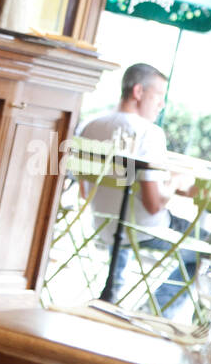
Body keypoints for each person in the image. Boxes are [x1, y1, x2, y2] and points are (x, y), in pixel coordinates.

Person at [78, 62, 199, 317]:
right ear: (138, 92)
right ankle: (156, 312)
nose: (161, 104)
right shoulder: (149, 134)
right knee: (205, 246)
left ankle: (111, 294)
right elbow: (153, 205)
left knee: (126, 222)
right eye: (158, 96)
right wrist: (174, 183)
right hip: (141, 230)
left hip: (101, 225)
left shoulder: (90, 126)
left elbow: (84, 190)